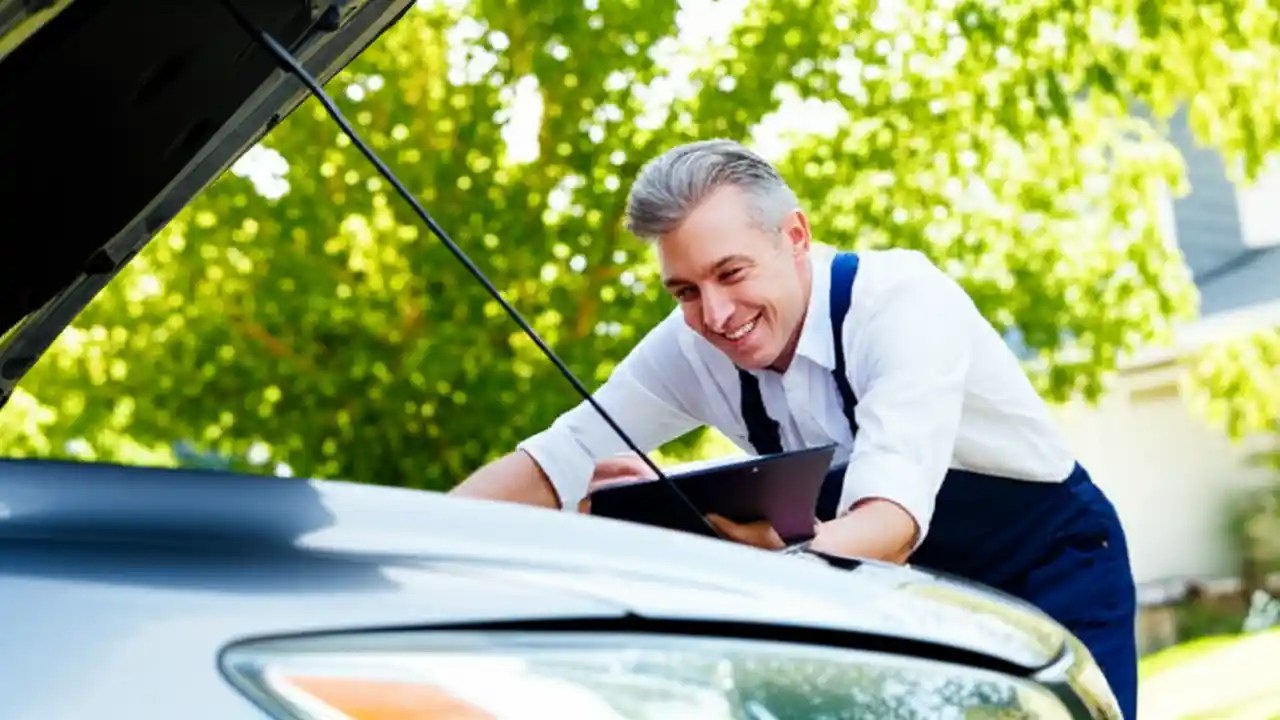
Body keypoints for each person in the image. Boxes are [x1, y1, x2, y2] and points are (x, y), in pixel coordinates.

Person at [450, 138, 1139, 717]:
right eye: (685, 291)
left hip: (1050, 566)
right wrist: (414, 539)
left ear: (796, 237)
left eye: (731, 273)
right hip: (906, 600)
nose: (715, 315)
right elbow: (560, 456)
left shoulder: (901, 304)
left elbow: (890, 525)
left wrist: (776, 558)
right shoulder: (689, 348)